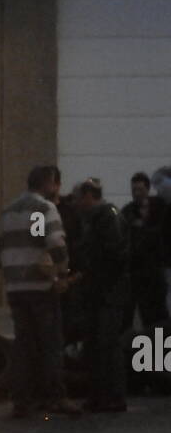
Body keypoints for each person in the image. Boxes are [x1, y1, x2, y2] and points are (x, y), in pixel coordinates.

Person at [0, 164, 81, 418]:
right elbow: (52, 241)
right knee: (50, 343)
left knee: (23, 344)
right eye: (55, 183)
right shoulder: (42, 208)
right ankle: (55, 397)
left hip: (15, 286)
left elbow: (1, 245)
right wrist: (63, 273)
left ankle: (22, 400)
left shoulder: (8, 210)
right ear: (48, 183)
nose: (57, 189)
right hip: (40, 285)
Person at [72, 179, 128, 412]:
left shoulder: (106, 218)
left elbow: (113, 256)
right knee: (95, 345)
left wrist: (91, 277)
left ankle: (112, 397)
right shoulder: (97, 219)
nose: (75, 203)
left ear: (88, 195)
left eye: (77, 198)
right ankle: (99, 396)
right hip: (100, 293)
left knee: (106, 345)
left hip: (106, 294)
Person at [120, 172, 168, 330]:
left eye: (140, 189)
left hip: (154, 271)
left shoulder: (161, 208)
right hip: (135, 272)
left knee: (155, 316)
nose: (136, 193)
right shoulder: (128, 212)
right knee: (129, 315)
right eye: (134, 190)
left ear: (147, 189)